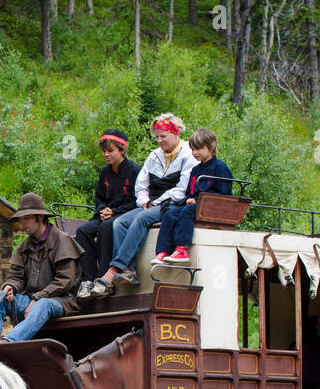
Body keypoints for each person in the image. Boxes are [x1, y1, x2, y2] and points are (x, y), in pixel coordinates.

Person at [84, 113, 198, 297]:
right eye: (157, 136)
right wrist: (144, 200)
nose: (159, 140)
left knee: (140, 219)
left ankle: (116, 267)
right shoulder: (154, 156)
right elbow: (141, 184)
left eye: (163, 136)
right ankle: (129, 271)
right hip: (150, 203)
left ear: (175, 134)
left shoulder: (187, 155)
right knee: (118, 222)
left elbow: (181, 189)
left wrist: (155, 202)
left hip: (171, 204)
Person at [0, 193, 82, 344]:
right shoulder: (24, 246)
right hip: (32, 300)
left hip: (61, 301)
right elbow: (16, 276)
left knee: (44, 304)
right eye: (20, 218)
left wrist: (38, 298)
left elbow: (65, 281)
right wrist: (10, 286)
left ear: (40, 217)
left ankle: (9, 341)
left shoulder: (62, 240)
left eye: (26, 217)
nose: (22, 222)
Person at [153, 128, 234, 264]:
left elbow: (223, 193)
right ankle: (163, 251)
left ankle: (182, 248)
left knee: (187, 211)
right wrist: (189, 200)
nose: (195, 153)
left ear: (211, 147)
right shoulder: (196, 170)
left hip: (214, 207)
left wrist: (197, 201)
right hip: (196, 205)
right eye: (193, 149)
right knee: (170, 214)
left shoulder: (219, 167)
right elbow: (190, 192)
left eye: (199, 149)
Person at [73, 130, 139, 281]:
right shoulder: (104, 173)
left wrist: (115, 211)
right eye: (104, 151)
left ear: (122, 150)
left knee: (106, 227)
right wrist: (102, 210)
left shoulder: (134, 171)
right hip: (105, 215)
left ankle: (103, 275)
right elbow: (99, 197)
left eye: (110, 151)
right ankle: (88, 278)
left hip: (124, 215)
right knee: (82, 231)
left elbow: (136, 201)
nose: (106, 155)